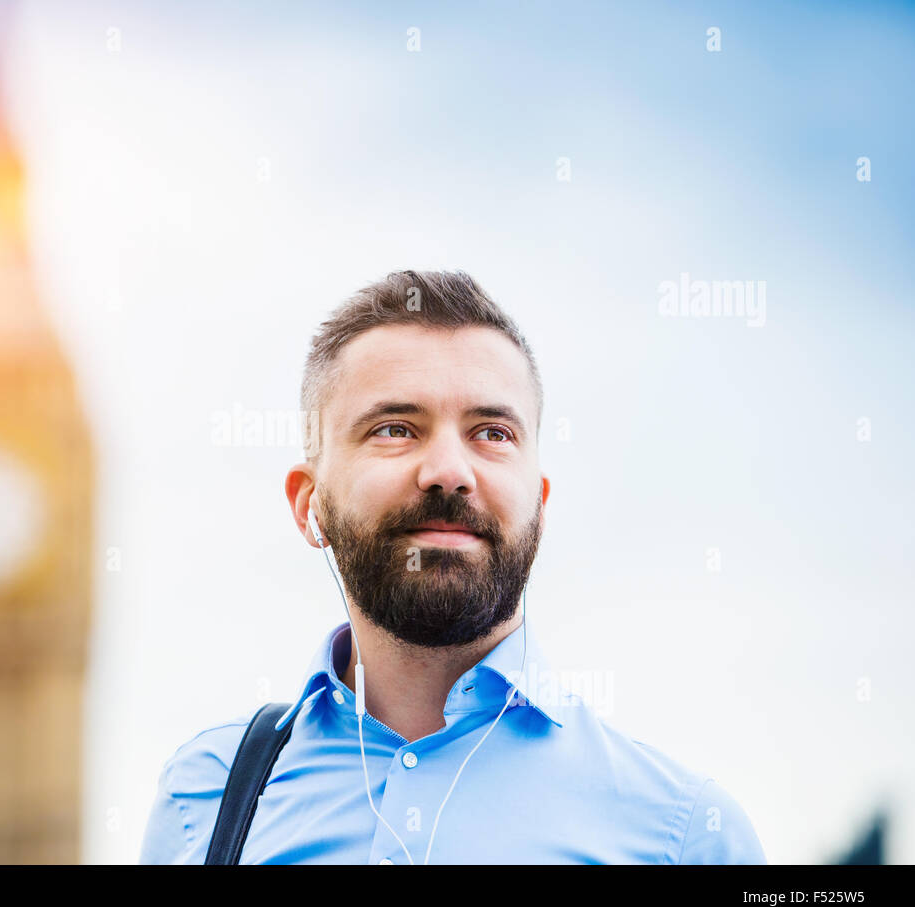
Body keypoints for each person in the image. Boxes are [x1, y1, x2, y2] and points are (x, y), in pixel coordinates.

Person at [139, 269, 766, 864]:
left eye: (492, 433)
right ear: (310, 506)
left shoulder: (685, 835)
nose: (447, 471)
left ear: (539, 506)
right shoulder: (205, 797)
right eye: (394, 428)